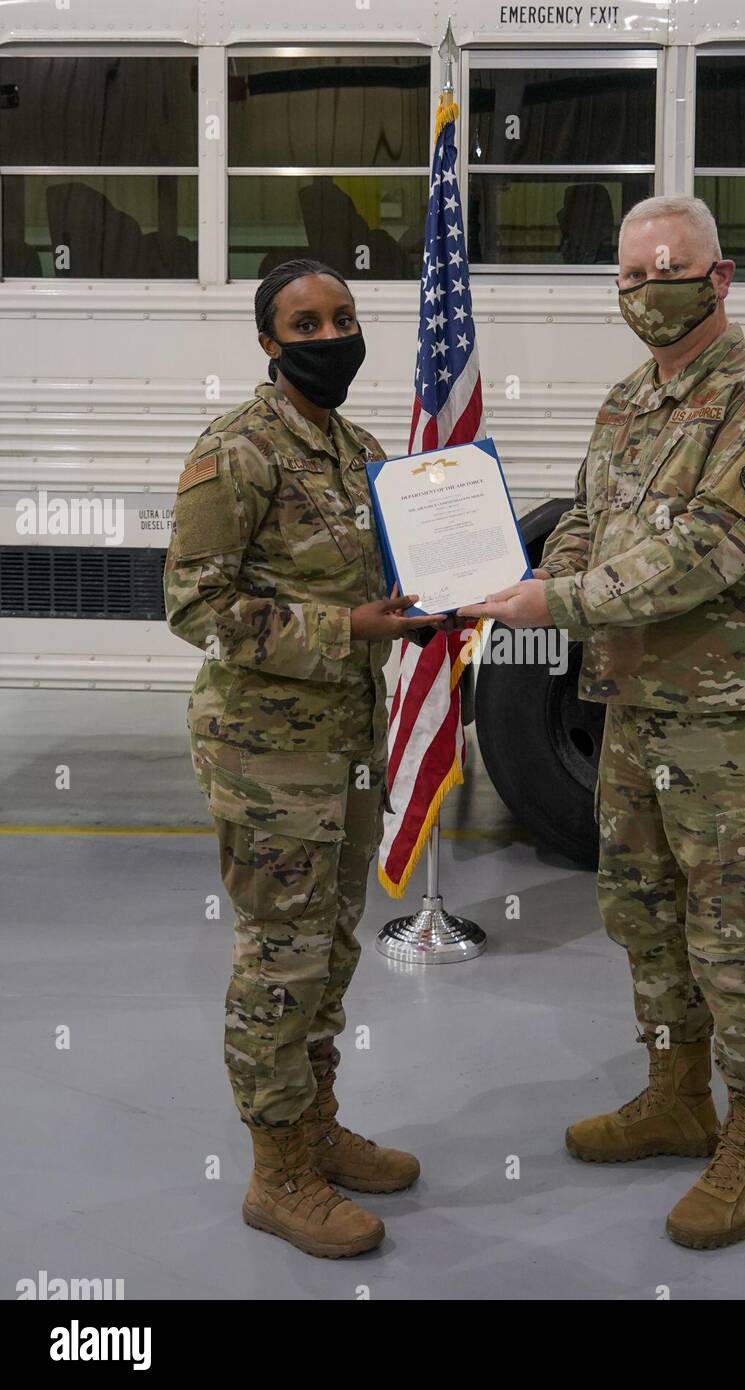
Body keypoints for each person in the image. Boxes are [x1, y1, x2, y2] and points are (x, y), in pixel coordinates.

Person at [460, 195, 745, 1249]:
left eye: (669, 270)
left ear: (720, 278)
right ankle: (678, 1097)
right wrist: (555, 570)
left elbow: (708, 548)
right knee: (645, 913)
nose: (647, 292)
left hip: (738, 730)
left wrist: (556, 606)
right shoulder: (631, 398)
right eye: (630, 277)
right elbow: (588, 514)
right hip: (634, 718)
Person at [164, 258, 443, 1259]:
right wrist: (343, 628)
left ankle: (314, 1121)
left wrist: (423, 607)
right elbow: (195, 605)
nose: (332, 336)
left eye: (344, 317)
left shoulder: (358, 448)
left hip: (348, 747)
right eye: (306, 322)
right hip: (266, 756)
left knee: (328, 948)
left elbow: (384, 581)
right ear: (269, 341)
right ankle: (276, 1170)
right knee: (278, 959)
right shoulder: (237, 452)